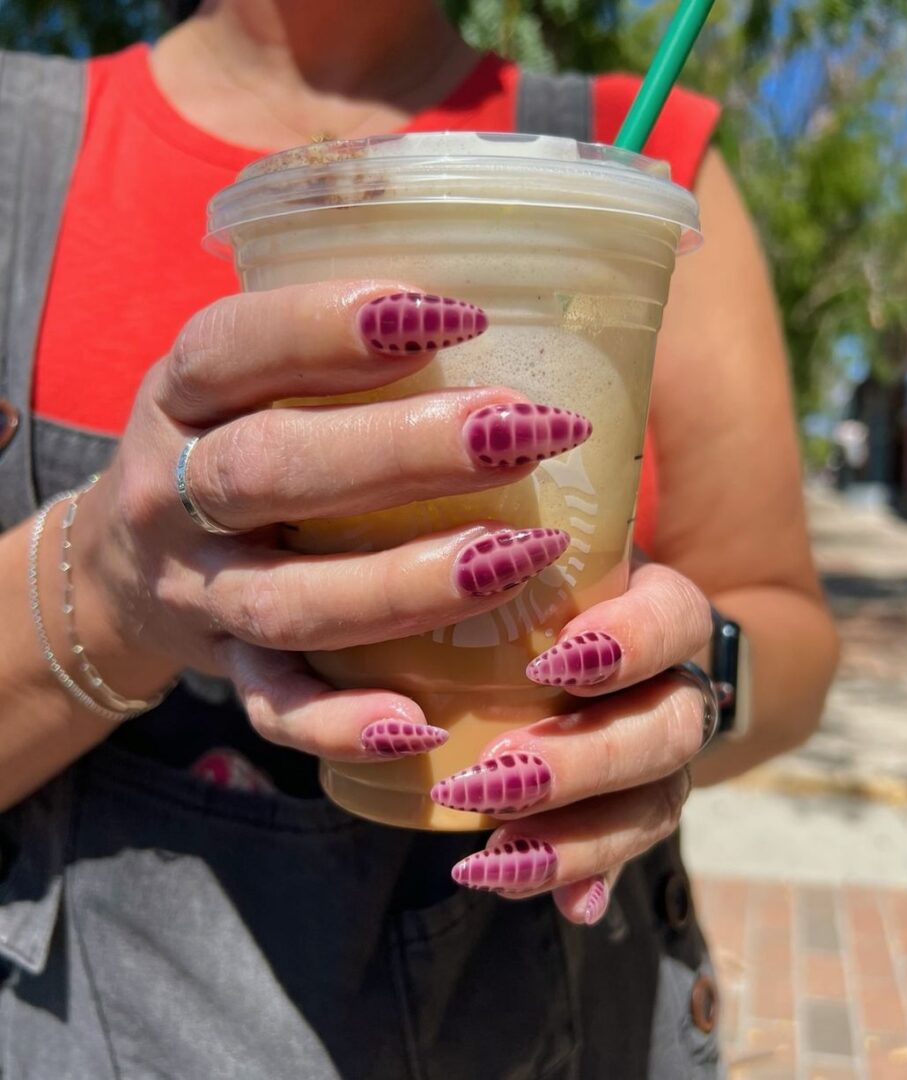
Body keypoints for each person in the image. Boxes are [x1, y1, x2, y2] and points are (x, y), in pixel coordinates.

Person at [0, 1, 839, 1077]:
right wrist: (114, 582)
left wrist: (678, 685)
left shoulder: (646, 146)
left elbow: (789, 639)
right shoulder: (20, 142)